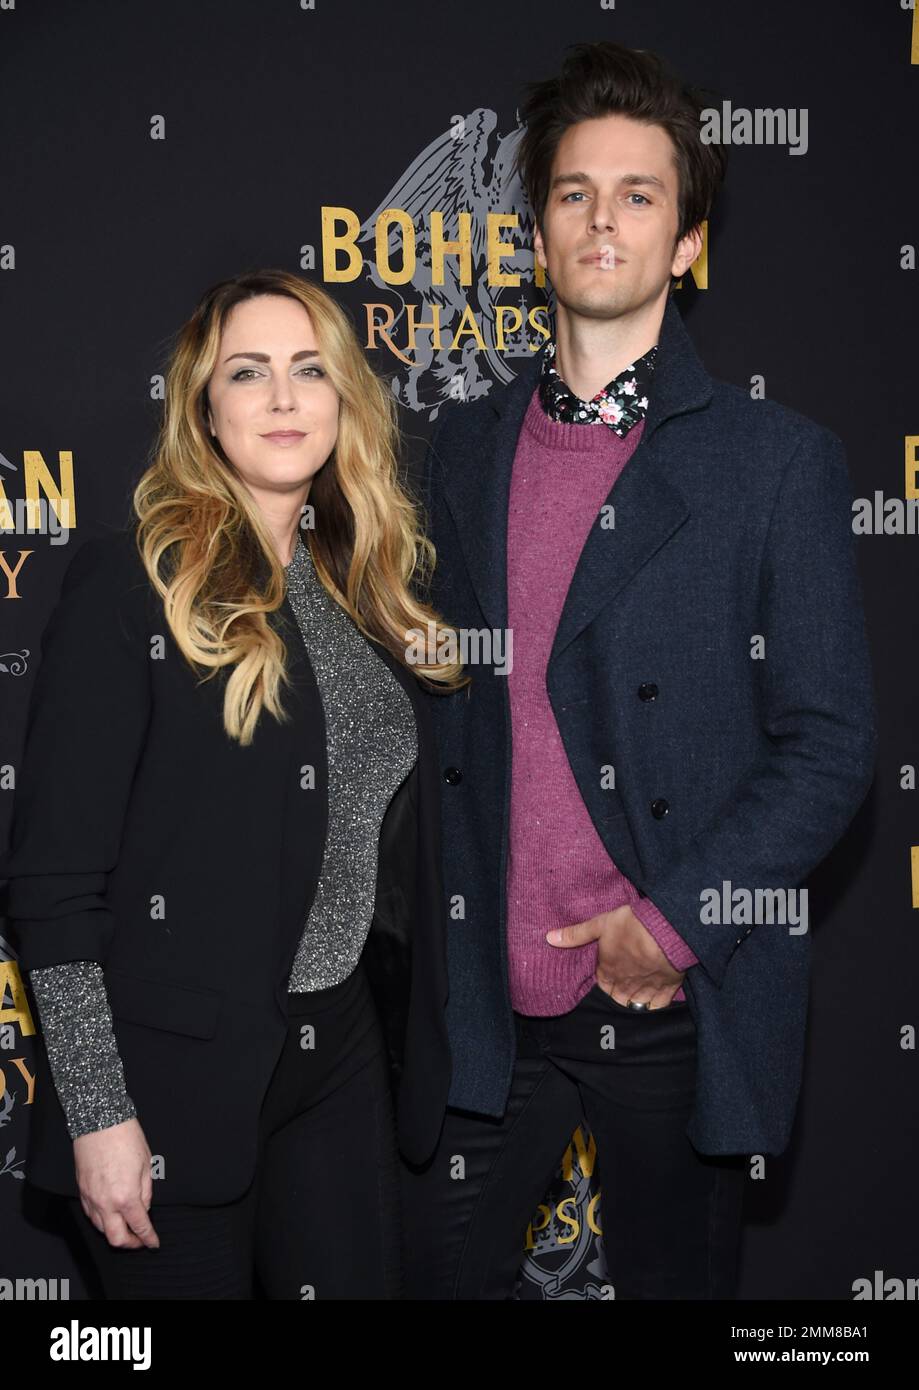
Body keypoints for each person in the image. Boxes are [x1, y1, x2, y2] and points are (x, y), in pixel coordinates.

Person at [400, 40, 878, 1299]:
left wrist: (670, 929)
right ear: (538, 234)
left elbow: (827, 741)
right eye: (572, 193)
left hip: (669, 998)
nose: (601, 220)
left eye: (638, 194)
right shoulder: (457, 450)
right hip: (483, 1013)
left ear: (684, 243)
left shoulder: (776, 462)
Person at [0, 268, 461, 1299]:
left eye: (310, 370)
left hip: (337, 1056)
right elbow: (53, 885)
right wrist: (97, 1111)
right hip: (171, 1080)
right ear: (203, 413)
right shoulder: (134, 582)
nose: (285, 399)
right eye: (248, 374)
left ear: (346, 397)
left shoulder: (363, 587)